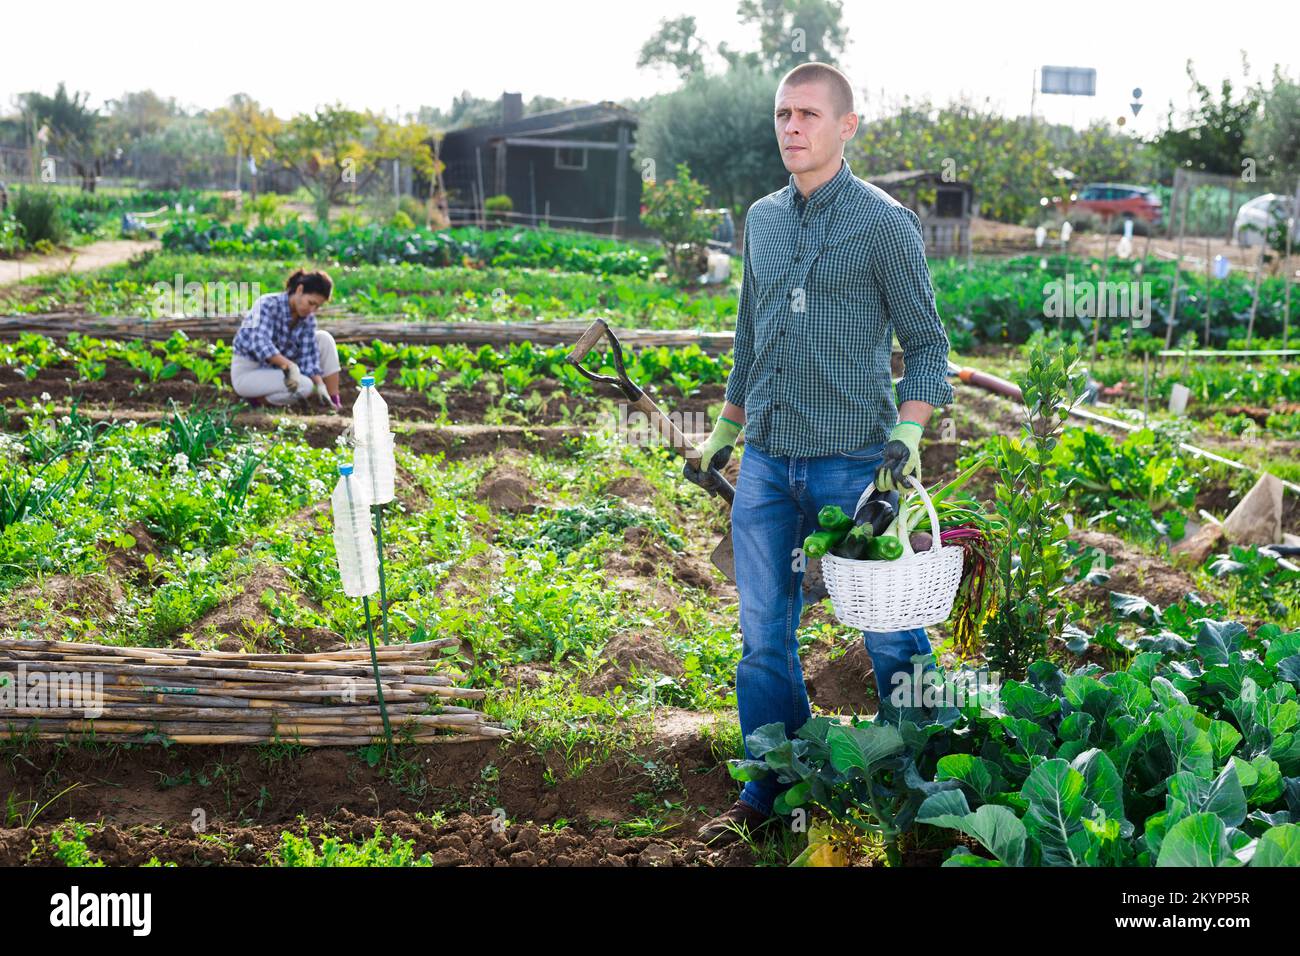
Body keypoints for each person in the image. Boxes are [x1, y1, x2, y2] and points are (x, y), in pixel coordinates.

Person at [685, 63, 954, 847]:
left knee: (891, 634)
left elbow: (930, 349)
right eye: (782, 115)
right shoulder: (762, 219)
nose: (792, 128)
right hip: (767, 462)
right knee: (763, 634)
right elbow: (750, 337)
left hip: (854, 466)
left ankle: (921, 792)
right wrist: (727, 431)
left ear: (846, 126)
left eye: (808, 114)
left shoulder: (883, 224)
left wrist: (904, 440)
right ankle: (774, 788)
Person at [231, 269, 343, 409]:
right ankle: (257, 399)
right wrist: (290, 366)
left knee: (324, 339)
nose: (312, 310)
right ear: (300, 290)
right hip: (250, 372)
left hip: (277, 371)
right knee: (305, 386)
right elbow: (260, 343)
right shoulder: (267, 304)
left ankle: (334, 402)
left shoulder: (307, 319)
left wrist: (320, 385)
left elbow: (309, 357)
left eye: (317, 306)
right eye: (311, 303)